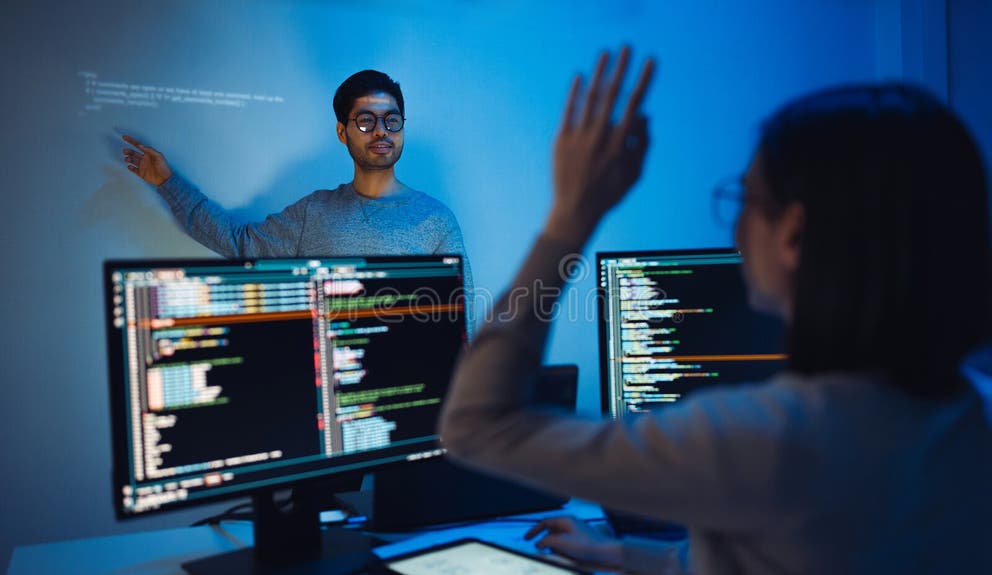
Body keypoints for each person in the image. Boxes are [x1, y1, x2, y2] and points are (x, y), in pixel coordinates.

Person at [438, 46, 992, 574]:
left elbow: (475, 426)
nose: (733, 227)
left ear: (794, 234)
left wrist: (571, 216)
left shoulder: (761, 438)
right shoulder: (975, 410)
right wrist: (620, 555)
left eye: (745, 200)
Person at [121, 69, 474, 331]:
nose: (381, 131)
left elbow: (462, 325)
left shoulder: (436, 221)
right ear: (342, 132)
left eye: (392, 120)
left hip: (415, 399)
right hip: (338, 395)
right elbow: (239, 242)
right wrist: (168, 183)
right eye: (366, 121)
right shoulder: (314, 212)